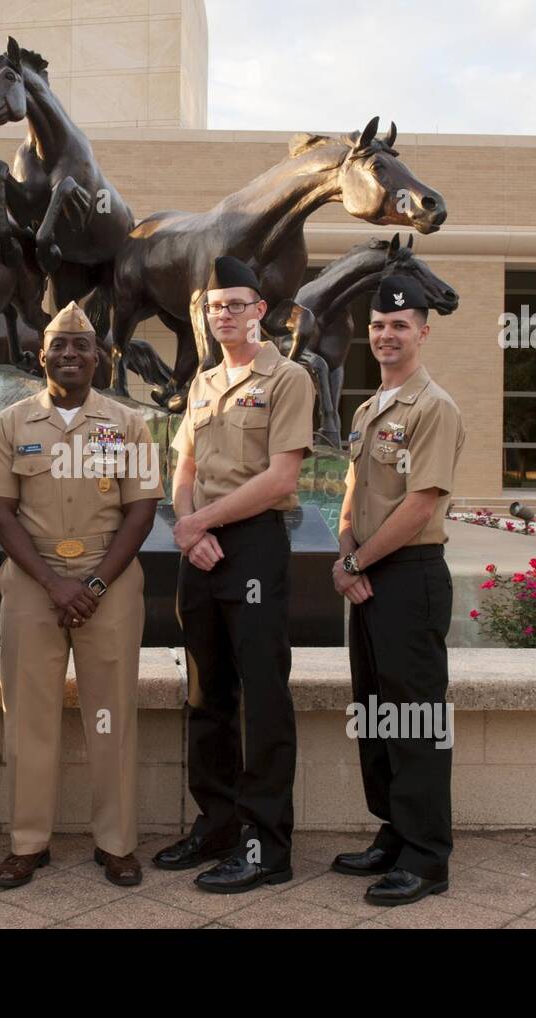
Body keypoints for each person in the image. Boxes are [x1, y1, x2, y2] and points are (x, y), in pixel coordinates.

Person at [0, 301, 161, 888]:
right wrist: (55, 583)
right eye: (59, 346)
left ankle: (116, 843)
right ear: (42, 356)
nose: (70, 355)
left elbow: (142, 510)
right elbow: (0, 513)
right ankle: (28, 843)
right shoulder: (11, 424)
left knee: (111, 715)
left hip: (109, 581)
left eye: (82, 346)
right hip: (34, 582)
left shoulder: (128, 423)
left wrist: (96, 582)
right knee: (28, 715)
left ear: (100, 358)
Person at [156, 255, 315, 893]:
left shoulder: (288, 378)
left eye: (235, 304)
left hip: (252, 544)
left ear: (259, 311)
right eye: (214, 306)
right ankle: (216, 823)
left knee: (262, 697)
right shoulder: (201, 383)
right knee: (206, 694)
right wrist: (187, 527)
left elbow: (281, 478)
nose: (224, 314)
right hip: (201, 547)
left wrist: (199, 525)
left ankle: (266, 845)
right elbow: (184, 470)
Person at [330, 273, 465, 906]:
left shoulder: (432, 406)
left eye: (400, 325)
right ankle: (393, 831)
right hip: (369, 571)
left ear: (422, 333)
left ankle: (427, 856)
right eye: (379, 325)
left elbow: (418, 506)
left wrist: (358, 565)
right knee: (377, 712)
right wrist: (343, 553)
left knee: (416, 717)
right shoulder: (367, 407)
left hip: (408, 573)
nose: (387, 334)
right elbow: (356, 493)